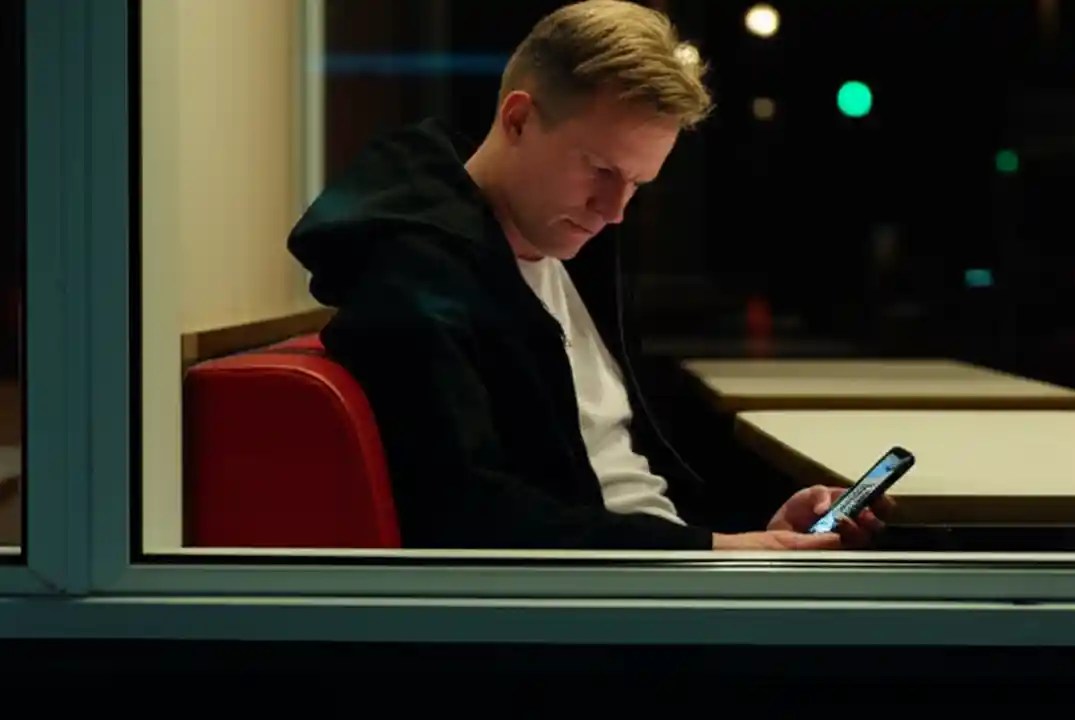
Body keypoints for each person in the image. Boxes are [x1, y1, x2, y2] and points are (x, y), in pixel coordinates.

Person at [286, 0, 893, 550]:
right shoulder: (415, 276)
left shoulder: (570, 246)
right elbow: (467, 516)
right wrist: (713, 553)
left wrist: (756, 532)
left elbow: (620, 472)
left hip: (647, 580)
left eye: (636, 183)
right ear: (518, 120)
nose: (615, 210)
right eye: (600, 170)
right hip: (586, 616)